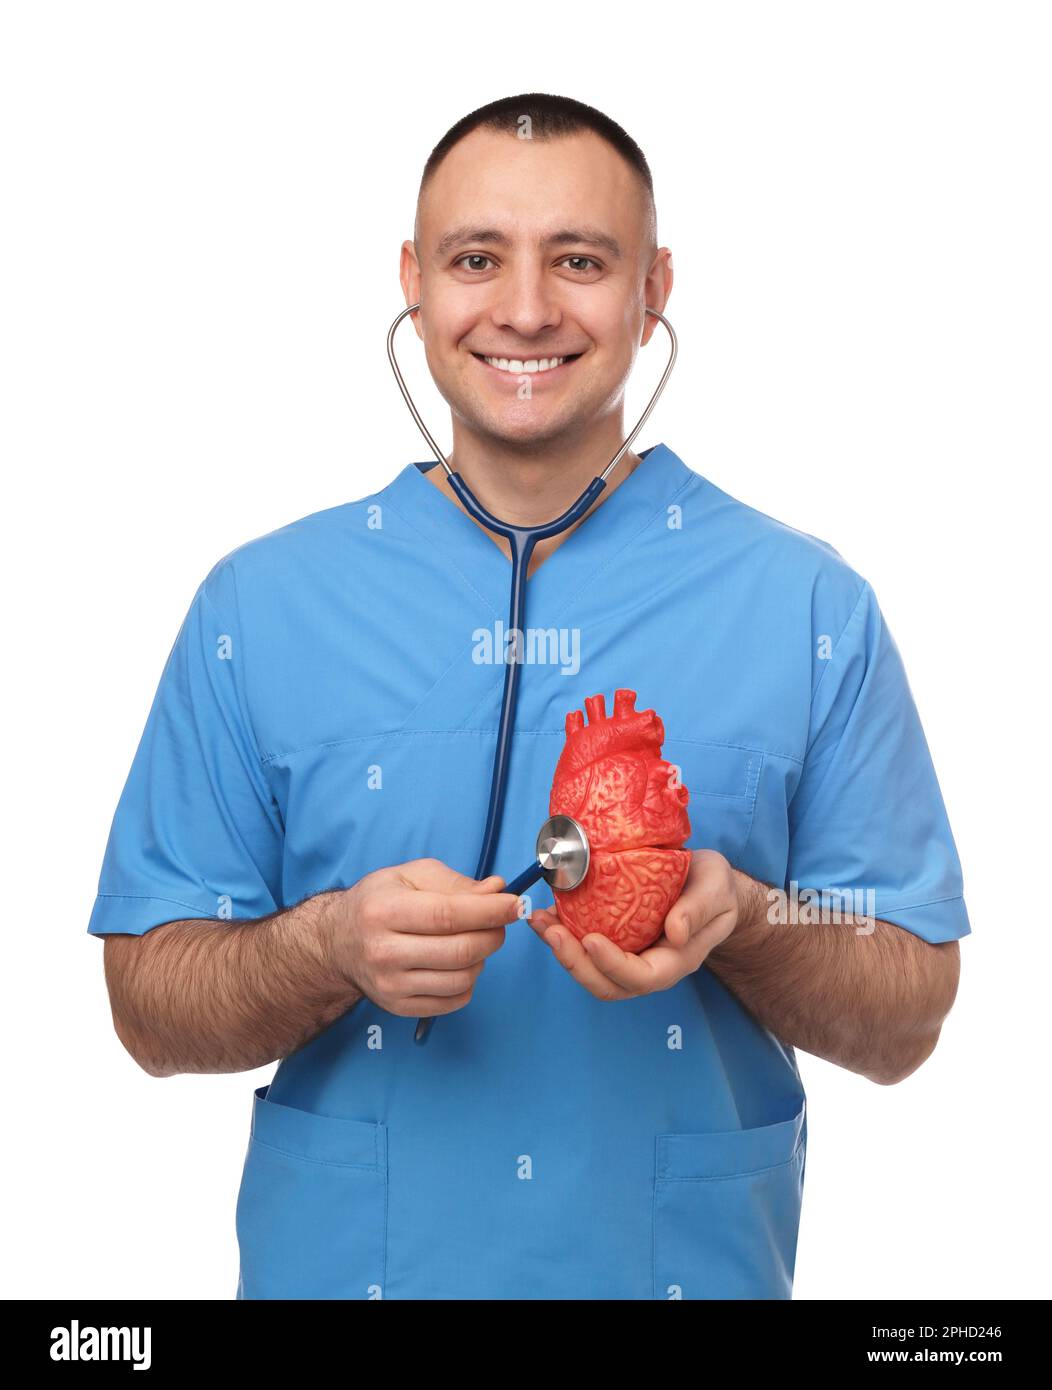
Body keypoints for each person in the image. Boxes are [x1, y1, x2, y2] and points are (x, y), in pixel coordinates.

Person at [88, 92, 970, 1301]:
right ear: (413, 280)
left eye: (579, 260)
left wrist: (751, 920)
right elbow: (148, 998)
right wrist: (327, 943)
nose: (523, 309)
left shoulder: (808, 606)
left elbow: (909, 994)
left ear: (654, 288)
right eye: (474, 258)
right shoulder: (259, 606)